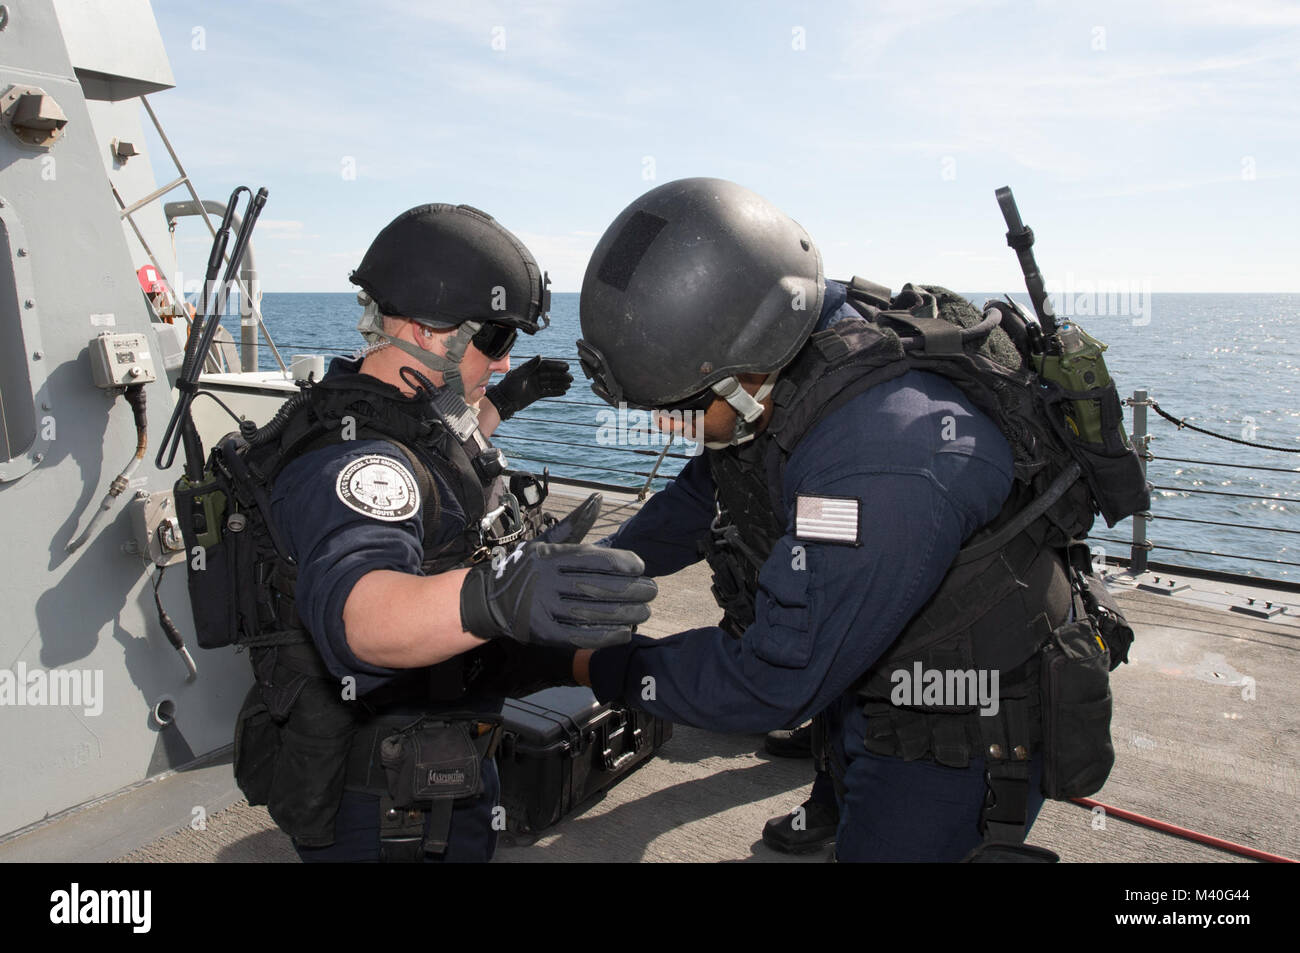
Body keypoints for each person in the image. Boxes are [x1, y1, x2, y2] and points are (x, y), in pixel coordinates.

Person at [574, 178, 1123, 862]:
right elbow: (710, 489)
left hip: (959, 715)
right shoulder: (793, 326)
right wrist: (593, 572)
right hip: (873, 645)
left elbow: (769, 680)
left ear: (744, 371)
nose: (665, 423)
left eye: (677, 404)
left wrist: (594, 665)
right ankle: (834, 794)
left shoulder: (884, 466)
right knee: (845, 748)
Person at [231, 203, 657, 863]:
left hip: (440, 760)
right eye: (493, 338)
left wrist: (502, 406)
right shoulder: (359, 461)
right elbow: (364, 615)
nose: (503, 357)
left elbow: (448, 457)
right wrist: (501, 593)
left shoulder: (399, 416)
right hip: (388, 808)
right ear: (431, 331)